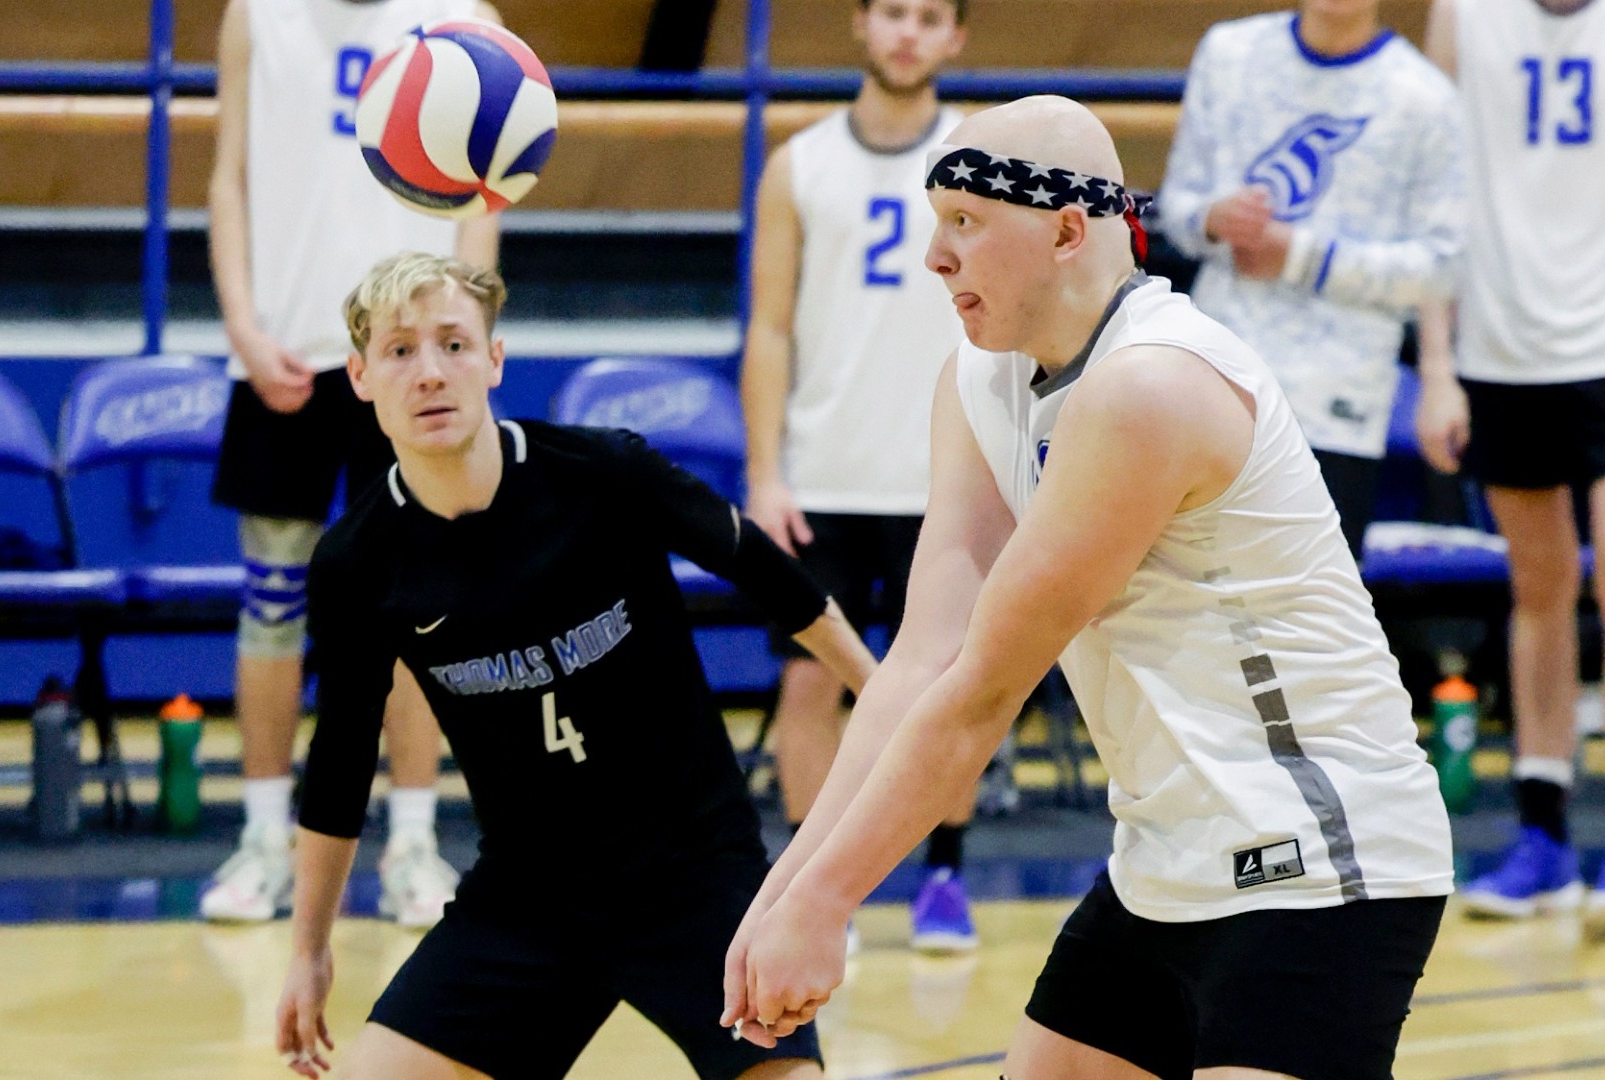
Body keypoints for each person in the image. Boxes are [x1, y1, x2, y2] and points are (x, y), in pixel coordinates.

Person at [722, 97, 1454, 1080]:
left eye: (965, 223)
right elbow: (923, 660)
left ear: (1068, 232)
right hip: (1164, 861)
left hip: (1318, 862)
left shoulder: (1151, 386)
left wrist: (826, 905)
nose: (935, 256)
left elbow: (982, 694)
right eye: (936, 220)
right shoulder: (981, 380)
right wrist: (787, 889)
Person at [275, 251, 878, 1079]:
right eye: (400, 350)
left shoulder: (604, 473)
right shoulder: (359, 559)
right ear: (360, 376)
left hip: (697, 884)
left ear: (494, 360)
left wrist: (881, 694)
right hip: (529, 898)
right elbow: (339, 765)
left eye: (454, 344)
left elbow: (766, 572)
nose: (430, 373)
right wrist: (308, 951)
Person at [200, 0, 501, 925]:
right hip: (287, 355)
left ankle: (413, 843)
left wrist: (465, 334)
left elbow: (484, 198)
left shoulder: (463, 19)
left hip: (415, 360)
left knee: (419, 615)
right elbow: (228, 182)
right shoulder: (258, 14)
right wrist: (244, 329)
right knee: (273, 604)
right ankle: (263, 841)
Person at [1419, 0, 1605, 943]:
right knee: (1536, 583)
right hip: (1503, 341)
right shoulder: (1463, 15)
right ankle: (1540, 841)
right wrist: (1439, 363)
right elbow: (1434, 189)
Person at [741, 0, 979, 952]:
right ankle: (811, 882)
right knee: (811, 685)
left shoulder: (980, 158)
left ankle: (945, 879)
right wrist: (767, 472)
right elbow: (769, 326)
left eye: (929, 17)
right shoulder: (799, 164)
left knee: (953, 692)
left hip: (948, 479)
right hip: (826, 476)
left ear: (955, 37)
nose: (908, 33)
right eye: (893, 13)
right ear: (860, 24)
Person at [1158, 0, 1465, 559]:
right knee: (1189, 613)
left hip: (1337, 407)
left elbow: (1440, 268)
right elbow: (1176, 209)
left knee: (1308, 630)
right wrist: (1211, 218)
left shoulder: (1425, 98)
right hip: (1212, 383)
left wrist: (1298, 256)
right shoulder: (1230, 53)